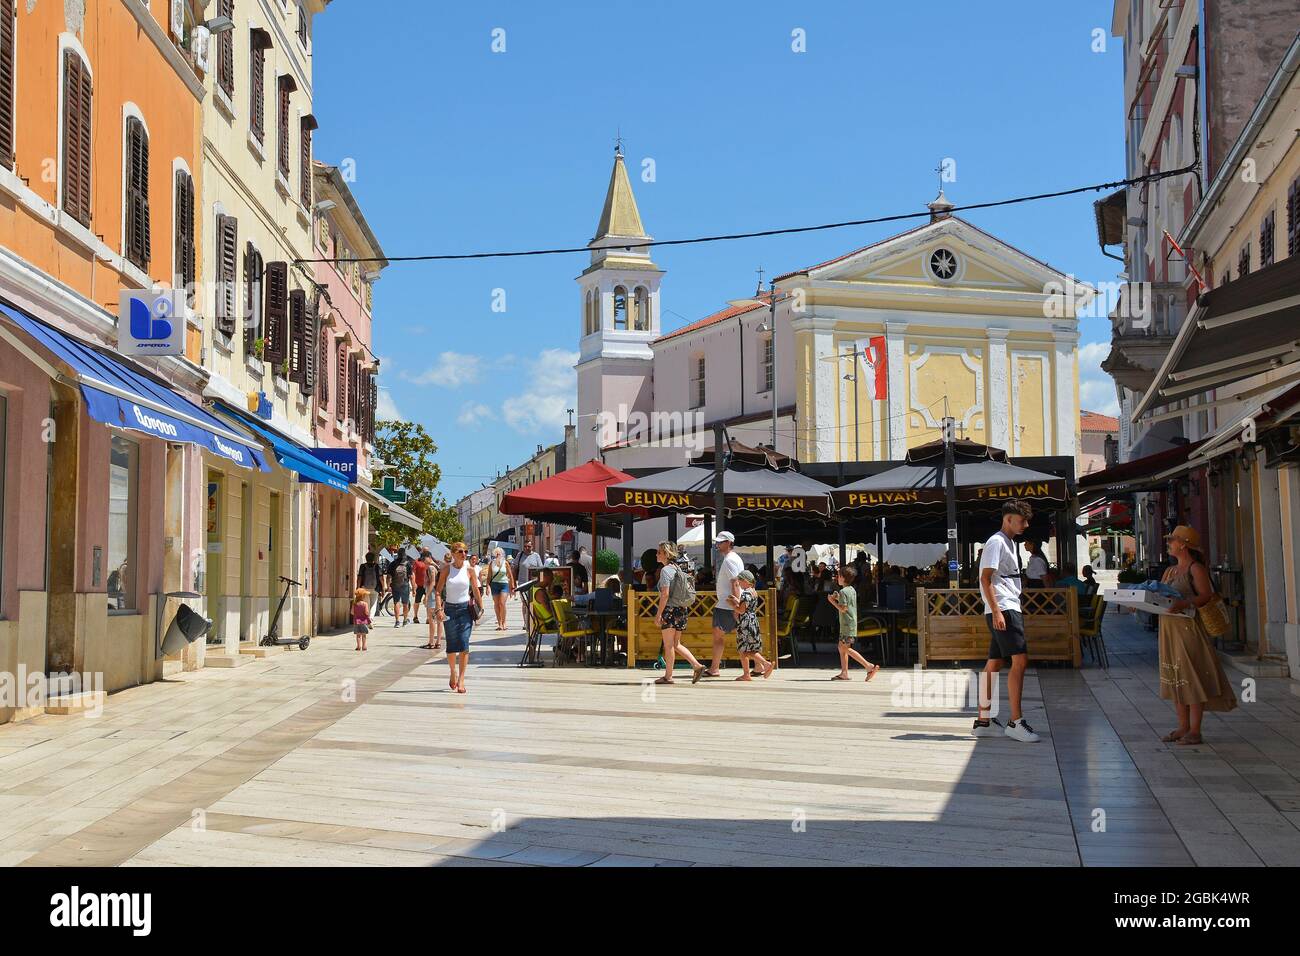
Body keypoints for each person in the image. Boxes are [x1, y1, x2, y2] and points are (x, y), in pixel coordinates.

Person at [1158, 525, 1237, 745]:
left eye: (1172, 540)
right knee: (1175, 677)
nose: (1169, 543)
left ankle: (1195, 730)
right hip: (1169, 628)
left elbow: (1205, 596)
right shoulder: (1170, 571)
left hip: (1188, 628)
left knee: (1191, 676)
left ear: (1183, 544)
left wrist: (1184, 603)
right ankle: (1182, 726)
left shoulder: (1195, 568)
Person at [974, 500, 1040, 743]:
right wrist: (998, 610)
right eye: (1022, 520)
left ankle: (984, 720)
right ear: (1008, 519)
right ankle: (1015, 721)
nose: (1026, 524)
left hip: (1004, 607)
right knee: (1019, 660)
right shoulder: (997, 542)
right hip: (1004, 607)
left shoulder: (1008, 542)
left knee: (993, 662)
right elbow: (985, 578)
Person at [653, 541, 706, 685]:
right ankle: (697, 666)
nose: (656, 554)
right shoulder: (677, 568)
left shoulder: (665, 571)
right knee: (676, 644)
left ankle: (668, 676)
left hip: (670, 610)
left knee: (669, 645)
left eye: (659, 552)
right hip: (682, 610)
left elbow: (665, 594)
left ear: (666, 554)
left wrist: (659, 614)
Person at [434, 541, 483, 694]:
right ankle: (452, 672)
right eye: (461, 551)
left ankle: (461, 679)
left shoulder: (470, 570)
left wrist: (480, 609)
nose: (464, 554)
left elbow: (475, 589)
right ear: (454, 554)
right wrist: (438, 610)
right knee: (451, 645)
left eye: (465, 551)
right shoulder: (446, 570)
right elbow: (438, 591)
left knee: (464, 643)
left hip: (465, 610)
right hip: (449, 610)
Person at [705, 531, 745, 677]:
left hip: (727, 605)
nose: (718, 544)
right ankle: (760, 664)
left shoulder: (729, 560)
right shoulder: (734, 558)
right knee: (742, 636)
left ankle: (714, 668)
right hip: (729, 604)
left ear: (729, 543)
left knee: (718, 637)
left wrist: (737, 606)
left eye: (720, 542)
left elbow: (735, 583)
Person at [828, 566, 880, 681]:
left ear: (842, 577)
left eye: (839, 576)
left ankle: (868, 666)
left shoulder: (843, 591)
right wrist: (837, 597)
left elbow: (843, 608)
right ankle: (844, 673)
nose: (837, 578)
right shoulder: (852, 589)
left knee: (845, 648)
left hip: (846, 624)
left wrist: (832, 601)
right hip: (850, 623)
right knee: (842, 647)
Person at [731, 569, 775, 681]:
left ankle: (761, 666)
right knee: (749, 649)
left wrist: (732, 604)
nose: (739, 583)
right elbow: (748, 606)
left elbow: (741, 610)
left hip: (745, 622)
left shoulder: (745, 593)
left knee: (743, 649)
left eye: (740, 581)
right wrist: (737, 600)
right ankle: (762, 666)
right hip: (752, 620)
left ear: (745, 581)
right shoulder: (753, 591)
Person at [515, 541, 544, 629]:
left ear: (532, 546)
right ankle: (525, 622)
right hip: (522, 583)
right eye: (525, 546)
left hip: (534, 583)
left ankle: (533, 620)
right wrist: (512, 582)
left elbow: (541, 568)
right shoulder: (520, 555)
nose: (527, 548)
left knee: (533, 602)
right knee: (525, 603)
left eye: (528, 546)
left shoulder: (536, 556)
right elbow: (514, 568)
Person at [488, 547, 516, 631]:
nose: (498, 555)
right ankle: (499, 623)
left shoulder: (505, 563)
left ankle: (504, 623)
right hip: (494, 585)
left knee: (502, 603)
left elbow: (510, 576)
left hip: (504, 584)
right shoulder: (491, 563)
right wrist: (487, 588)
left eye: (499, 553)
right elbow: (489, 576)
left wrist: (512, 587)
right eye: (496, 553)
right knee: (496, 604)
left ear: (502, 554)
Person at [389, 550, 411, 627]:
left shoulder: (393, 563)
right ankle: (405, 620)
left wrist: (388, 585)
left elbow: (389, 576)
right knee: (405, 603)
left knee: (396, 602)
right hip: (405, 584)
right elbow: (411, 576)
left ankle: (397, 621)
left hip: (395, 584)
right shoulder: (407, 563)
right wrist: (414, 588)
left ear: (398, 554)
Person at [356, 552, 382, 617]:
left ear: (366, 558)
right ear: (373, 558)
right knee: (373, 604)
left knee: (366, 604)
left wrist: (358, 587)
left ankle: (367, 618)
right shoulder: (377, 566)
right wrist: (383, 588)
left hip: (364, 588)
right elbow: (381, 578)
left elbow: (359, 577)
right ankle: (370, 619)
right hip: (375, 588)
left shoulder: (362, 566)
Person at [411, 549, 431, 625]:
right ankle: (415, 616)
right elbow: (413, 573)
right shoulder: (417, 562)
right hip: (419, 585)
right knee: (417, 601)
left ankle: (428, 618)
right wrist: (414, 585)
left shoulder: (430, 562)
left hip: (428, 585)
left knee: (428, 602)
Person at [352, 587, 372, 651]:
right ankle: (364, 646)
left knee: (358, 635)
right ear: (363, 596)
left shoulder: (354, 604)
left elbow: (352, 612)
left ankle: (358, 646)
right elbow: (366, 612)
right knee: (364, 635)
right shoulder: (365, 604)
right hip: (363, 621)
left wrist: (357, 614)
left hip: (356, 621)